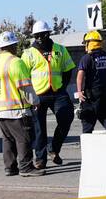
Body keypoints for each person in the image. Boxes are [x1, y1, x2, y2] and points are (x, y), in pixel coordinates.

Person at [21, 20, 75, 170]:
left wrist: (63, 86)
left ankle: (54, 148)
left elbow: (68, 69)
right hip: (38, 95)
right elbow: (24, 76)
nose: (39, 38)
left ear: (48, 34)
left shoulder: (60, 49)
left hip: (58, 92)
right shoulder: (28, 54)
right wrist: (28, 96)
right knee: (39, 129)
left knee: (66, 117)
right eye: (36, 35)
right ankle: (40, 159)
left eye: (42, 34)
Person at [0, 31, 40, 176]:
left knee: (8, 139)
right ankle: (26, 167)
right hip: (16, 108)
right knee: (23, 138)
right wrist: (35, 101)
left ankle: (10, 167)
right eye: (15, 45)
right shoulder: (16, 62)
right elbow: (25, 86)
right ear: (12, 46)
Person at [76, 30, 106, 133]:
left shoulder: (86, 58)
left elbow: (80, 76)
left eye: (86, 43)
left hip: (91, 96)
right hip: (105, 95)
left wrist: (79, 91)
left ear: (89, 43)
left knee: (87, 125)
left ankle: (88, 147)